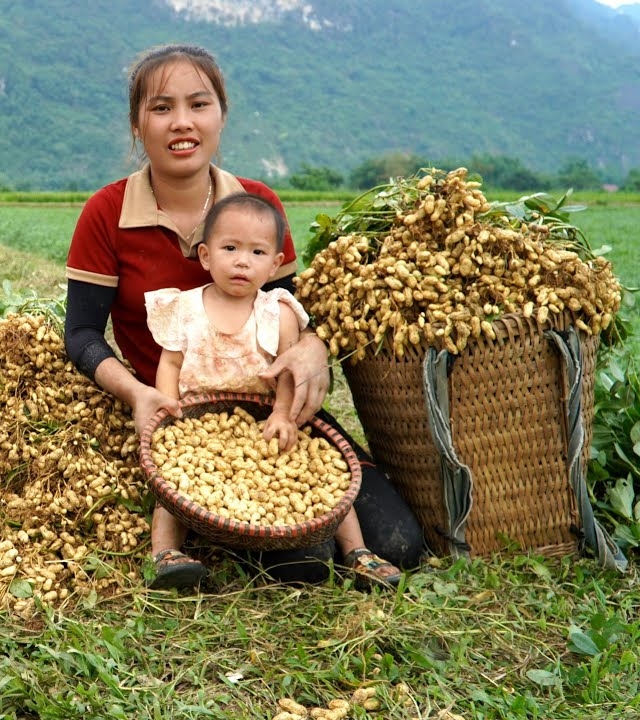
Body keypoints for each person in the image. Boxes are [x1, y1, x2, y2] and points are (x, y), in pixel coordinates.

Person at [63, 43, 424, 592]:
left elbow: (300, 311)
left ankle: (329, 542)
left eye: (198, 104)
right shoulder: (108, 212)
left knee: (402, 545)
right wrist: (140, 396)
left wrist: (313, 346)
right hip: (183, 419)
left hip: (272, 415)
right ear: (137, 125)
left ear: (221, 115)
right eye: (161, 108)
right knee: (304, 564)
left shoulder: (257, 206)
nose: (181, 122)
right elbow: (82, 333)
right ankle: (193, 539)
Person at [145, 192, 404, 590]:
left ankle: (358, 552)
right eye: (229, 248)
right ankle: (166, 553)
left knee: (329, 483)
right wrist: (168, 413)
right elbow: (171, 364)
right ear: (206, 256)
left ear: (275, 264)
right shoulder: (185, 308)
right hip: (198, 426)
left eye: (257, 252)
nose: (242, 261)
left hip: (265, 423)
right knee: (172, 486)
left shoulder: (277, 312)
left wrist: (284, 414)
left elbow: (288, 372)